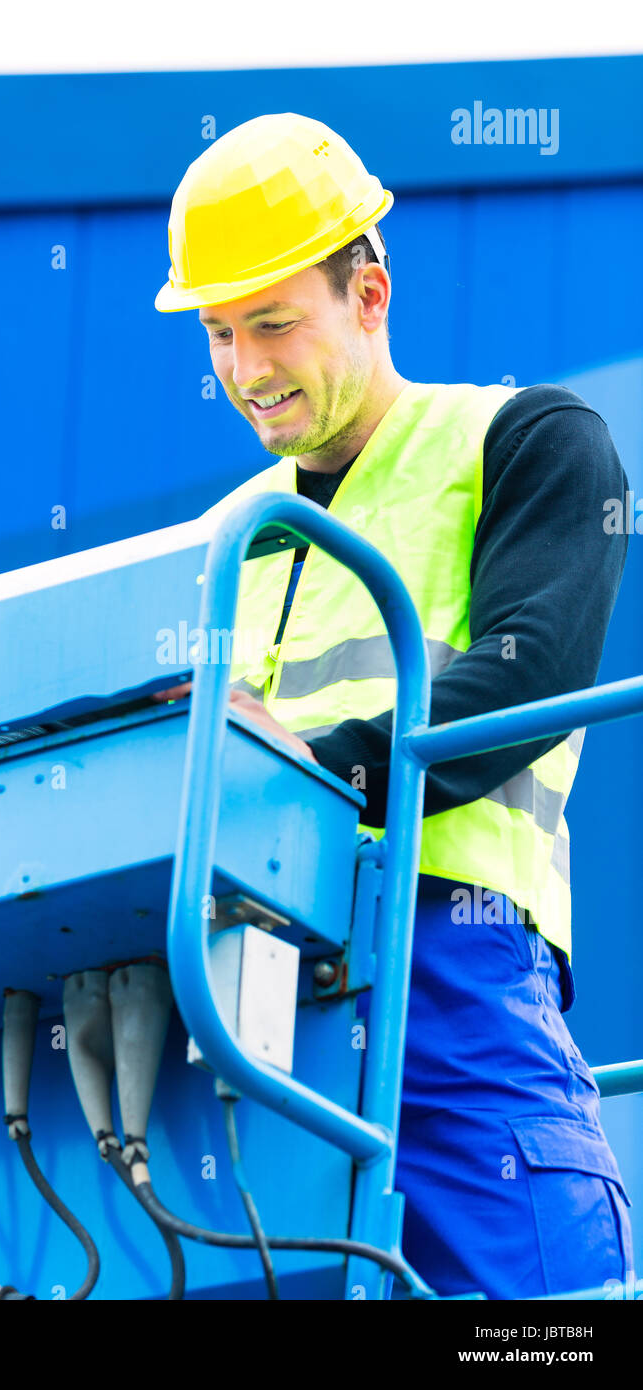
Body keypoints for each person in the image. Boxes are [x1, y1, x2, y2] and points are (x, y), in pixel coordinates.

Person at [151, 111, 634, 1299]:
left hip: (451, 974)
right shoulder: (224, 540)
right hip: (232, 996)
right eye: (218, 333)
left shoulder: (522, 441)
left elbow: (519, 680)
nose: (247, 369)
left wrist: (295, 775)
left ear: (369, 291)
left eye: (272, 323)